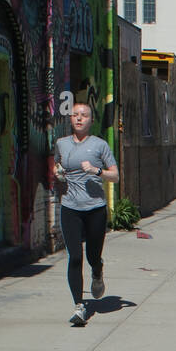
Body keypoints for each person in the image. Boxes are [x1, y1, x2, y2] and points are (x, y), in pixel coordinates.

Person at [54, 101, 118, 326]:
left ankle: (97, 270)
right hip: (70, 207)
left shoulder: (100, 146)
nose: (79, 118)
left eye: (84, 115)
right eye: (75, 115)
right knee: (75, 256)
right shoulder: (61, 144)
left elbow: (115, 175)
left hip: (95, 209)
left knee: (92, 256)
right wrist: (58, 172)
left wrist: (96, 170)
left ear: (91, 120)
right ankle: (79, 306)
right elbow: (57, 167)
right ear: (70, 119)